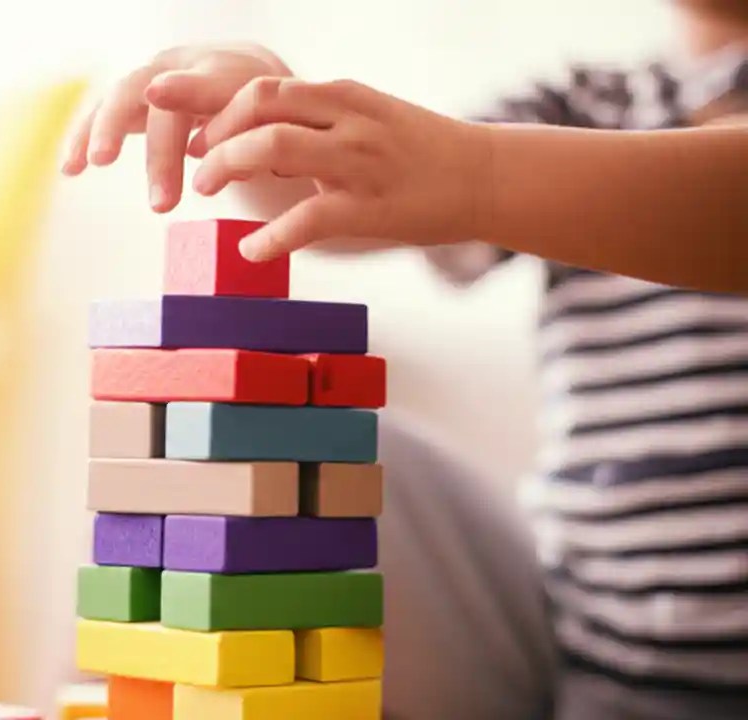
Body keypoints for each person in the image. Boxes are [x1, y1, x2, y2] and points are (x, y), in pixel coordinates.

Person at [63, 2, 748, 719]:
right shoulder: (589, 106)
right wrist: (272, 116)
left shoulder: (527, 150)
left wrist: (478, 174)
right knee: (246, 458)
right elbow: (374, 190)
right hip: (588, 645)